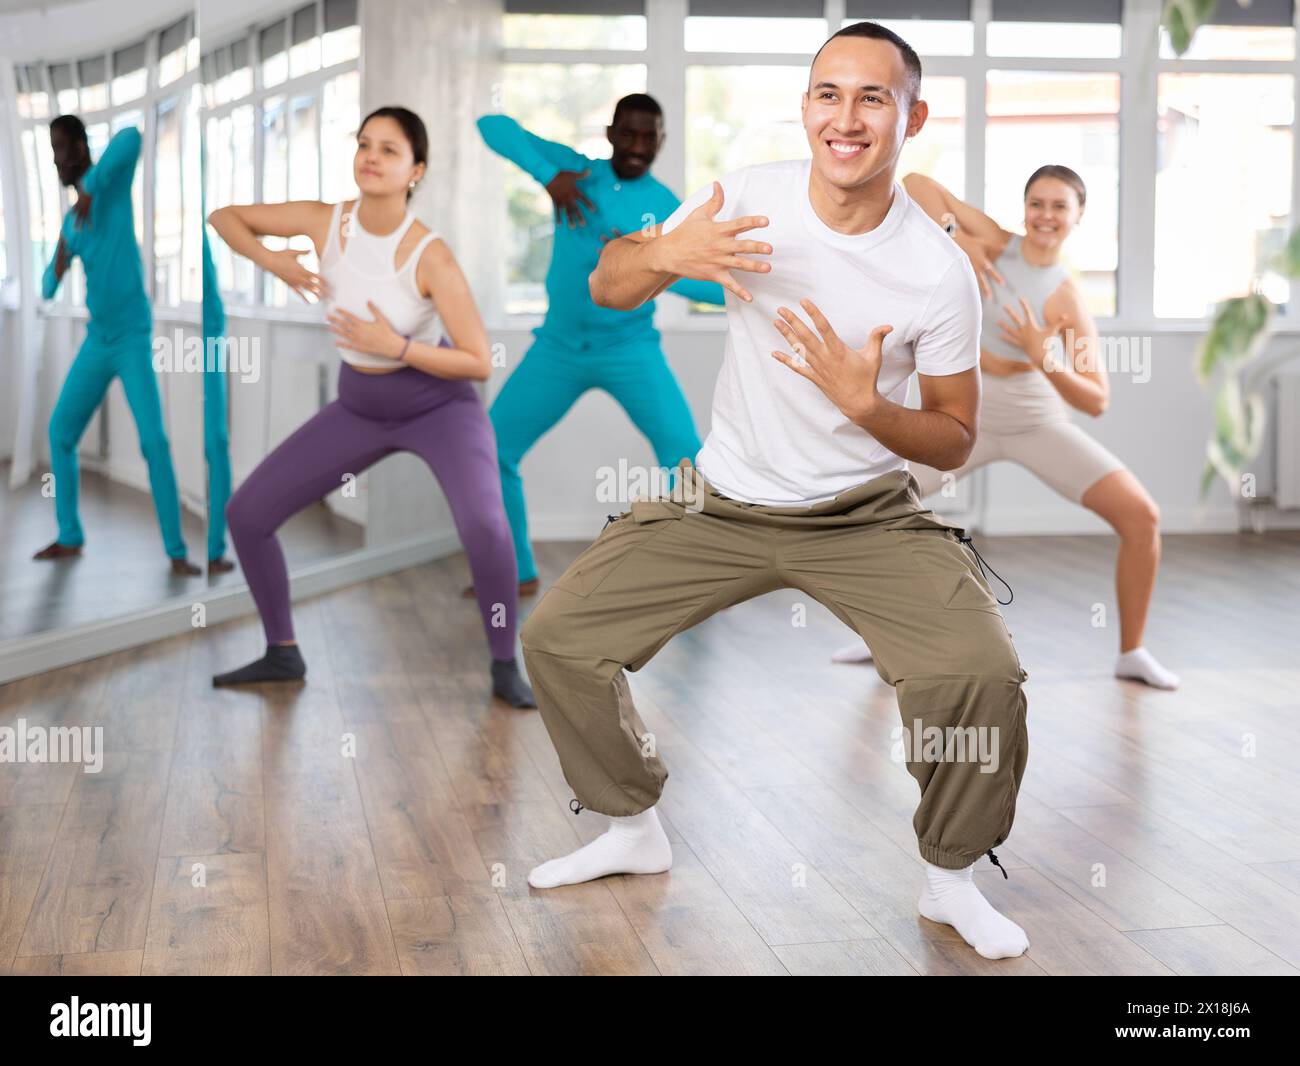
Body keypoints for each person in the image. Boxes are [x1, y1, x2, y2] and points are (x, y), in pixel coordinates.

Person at [518, 23, 1032, 961]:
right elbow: (607, 283)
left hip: (865, 514)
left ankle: (951, 879)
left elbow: (955, 436)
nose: (847, 117)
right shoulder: (744, 198)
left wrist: (867, 407)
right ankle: (630, 825)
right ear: (805, 108)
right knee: (558, 639)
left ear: (914, 117)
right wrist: (666, 254)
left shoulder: (938, 271)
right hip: (721, 497)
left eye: (873, 98)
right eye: (828, 94)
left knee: (979, 673)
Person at [207, 106, 534, 707]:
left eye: (389, 149)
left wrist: (398, 347)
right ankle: (283, 651)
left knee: (486, 528)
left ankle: (504, 663)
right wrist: (274, 261)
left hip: (440, 408)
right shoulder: (323, 222)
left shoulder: (430, 255)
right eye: (364, 144)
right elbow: (223, 218)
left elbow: (478, 361)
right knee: (247, 514)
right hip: (359, 406)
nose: (371, 158)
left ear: (416, 170)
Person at [830, 167, 1178, 690]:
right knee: (874, 505)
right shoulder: (994, 243)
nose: (1046, 216)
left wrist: (1044, 356)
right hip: (964, 416)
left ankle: (1133, 652)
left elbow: (1097, 400)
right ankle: (880, 635)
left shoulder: (1066, 298)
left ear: (1078, 216)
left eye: (1059, 206)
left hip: (1034, 420)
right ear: (1025, 208)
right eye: (1037, 203)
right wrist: (955, 238)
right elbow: (918, 182)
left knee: (1142, 517)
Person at [468, 95, 724, 599]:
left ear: (661, 141)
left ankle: (699, 575)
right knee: (491, 450)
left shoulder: (668, 208)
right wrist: (549, 176)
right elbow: (491, 123)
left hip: (630, 350)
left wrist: (662, 266)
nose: (638, 146)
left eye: (649, 137)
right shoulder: (577, 172)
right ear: (610, 134)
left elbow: (703, 283)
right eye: (628, 134)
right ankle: (517, 571)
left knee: (686, 459)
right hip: (557, 350)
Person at [35, 117, 199, 575]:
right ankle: (70, 536)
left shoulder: (110, 184)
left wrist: (91, 187)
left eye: (61, 147)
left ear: (81, 147)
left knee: (153, 441)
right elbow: (46, 288)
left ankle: (177, 552)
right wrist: (60, 256)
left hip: (131, 339)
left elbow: (132, 137)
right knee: (60, 432)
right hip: (98, 341)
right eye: (52, 150)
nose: (56, 159)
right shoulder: (72, 223)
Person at [202, 226, 235, 575]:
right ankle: (211, 549)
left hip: (210, 340)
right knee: (215, 445)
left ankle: (214, 548)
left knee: (217, 444)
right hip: (199, 341)